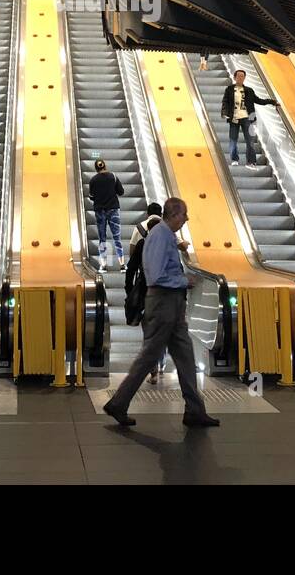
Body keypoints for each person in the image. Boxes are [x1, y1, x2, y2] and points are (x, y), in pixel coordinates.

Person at [103, 197, 219, 428]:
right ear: (174, 214)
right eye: (184, 214)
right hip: (163, 303)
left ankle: (194, 410)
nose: (186, 219)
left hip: (173, 306)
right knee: (149, 356)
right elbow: (156, 276)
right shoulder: (160, 236)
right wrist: (183, 280)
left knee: (185, 357)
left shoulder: (167, 236)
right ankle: (118, 402)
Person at [125, 204, 167, 384]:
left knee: (149, 332)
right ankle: (160, 362)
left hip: (146, 292)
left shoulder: (143, 243)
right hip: (166, 294)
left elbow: (131, 268)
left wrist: (129, 289)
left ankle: (153, 369)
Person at [220, 68, 278, 167]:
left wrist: (272, 102)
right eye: (238, 76)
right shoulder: (229, 89)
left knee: (250, 141)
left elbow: (258, 100)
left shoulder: (249, 90)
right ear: (235, 77)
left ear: (244, 78)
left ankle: (251, 161)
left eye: (242, 76)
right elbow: (225, 102)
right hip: (234, 118)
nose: (240, 78)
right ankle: (234, 159)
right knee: (233, 140)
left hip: (247, 119)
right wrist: (224, 113)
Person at [88, 158, 126, 269]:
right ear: (105, 166)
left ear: (96, 168)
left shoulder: (93, 180)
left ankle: (104, 264)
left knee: (102, 238)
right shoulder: (113, 177)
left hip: (100, 210)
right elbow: (121, 192)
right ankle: (122, 263)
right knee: (117, 237)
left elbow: (91, 196)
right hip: (113, 209)